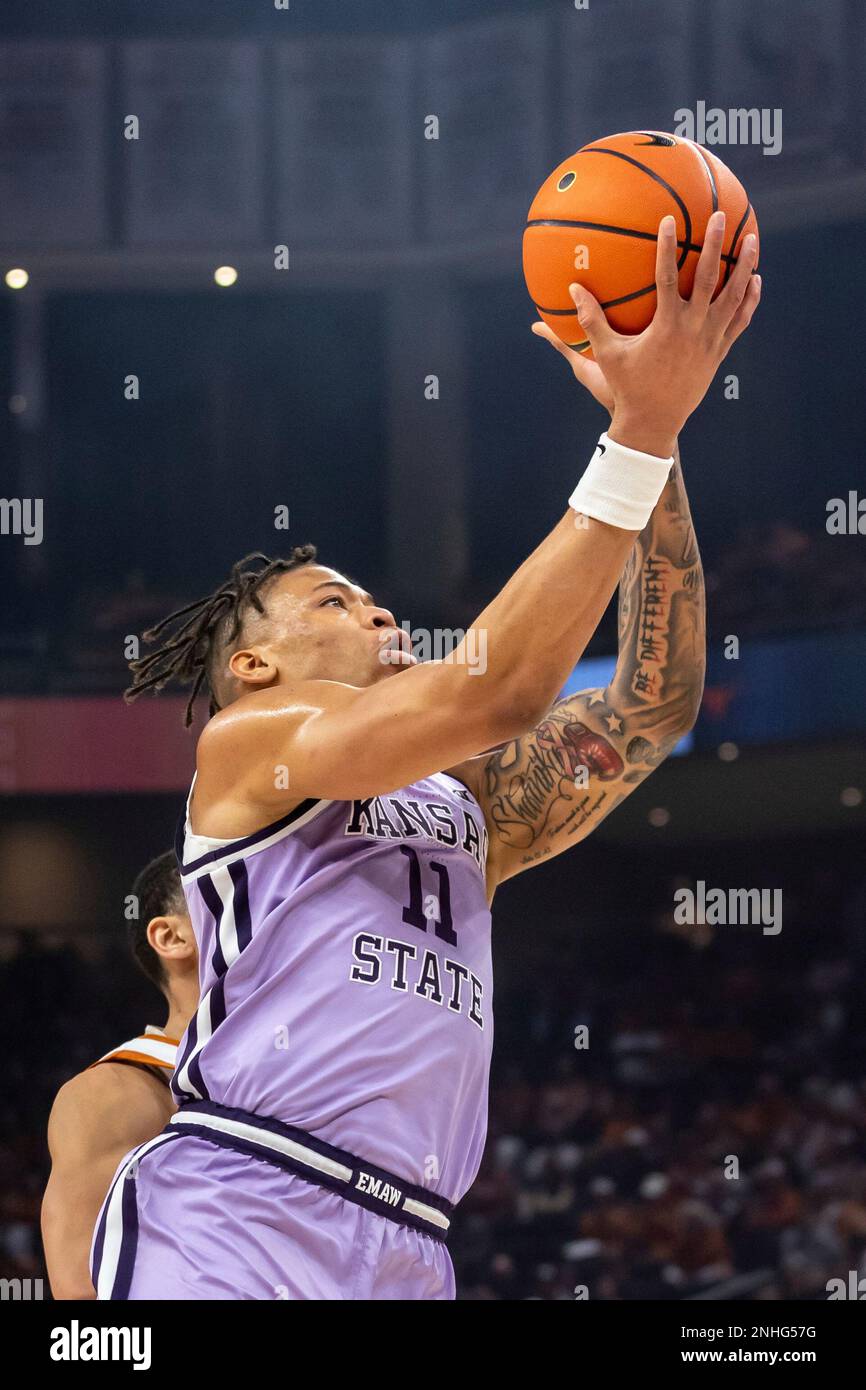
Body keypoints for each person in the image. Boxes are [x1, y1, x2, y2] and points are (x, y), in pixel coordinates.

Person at [95, 214, 760, 1300]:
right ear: (255, 667)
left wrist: (660, 431)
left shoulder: (461, 807)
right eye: (332, 601)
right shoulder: (248, 748)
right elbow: (496, 687)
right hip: (247, 1201)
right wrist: (632, 435)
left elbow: (649, 703)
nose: (381, 608)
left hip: (411, 1241)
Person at [41, 852, 198, 1299]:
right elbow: (81, 1293)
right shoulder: (115, 1094)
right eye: (238, 904)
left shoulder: (322, 1079)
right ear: (171, 936)